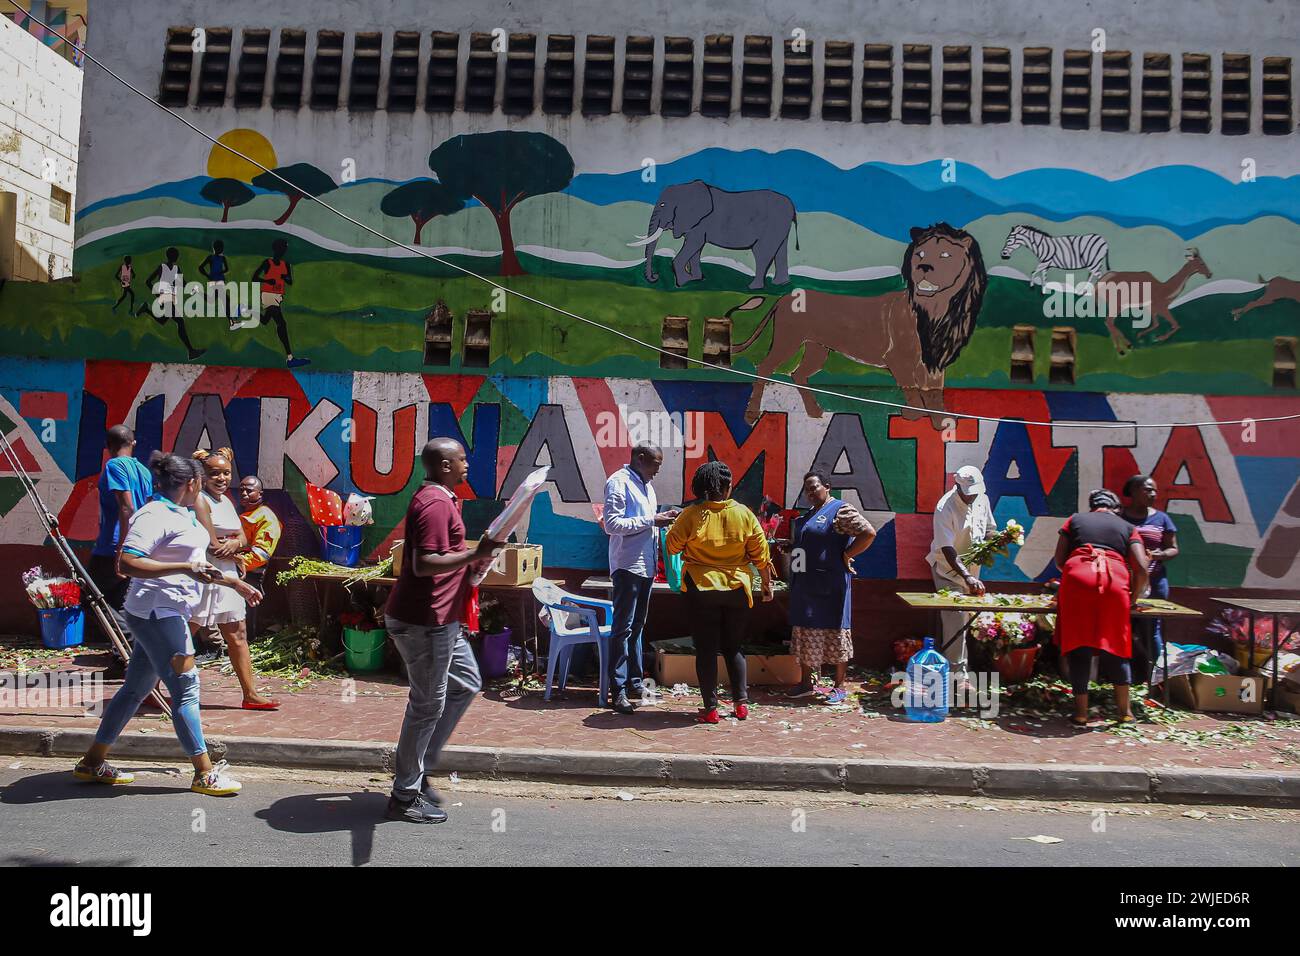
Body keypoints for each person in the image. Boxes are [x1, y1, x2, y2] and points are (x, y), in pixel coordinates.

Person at [73, 452, 261, 795]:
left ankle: (91, 762)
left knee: (135, 689)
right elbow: (127, 563)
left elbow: (195, 564)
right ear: (191, 484)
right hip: (158, 614)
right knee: (186, 687)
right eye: (202, 481)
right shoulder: (153, 515)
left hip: (165, 612)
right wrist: (183, 570)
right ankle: (204, 773)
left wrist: (233, 582)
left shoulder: (183, 514)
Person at [384, 438, 500, 824]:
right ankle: (404, 794)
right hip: (424, 622)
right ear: (445, 464)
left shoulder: (443, 498)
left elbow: (445, 556)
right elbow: (424, 564)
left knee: (466, 683)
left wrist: (473, 567)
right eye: (462, 459)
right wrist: (476, 554)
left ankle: (420, 765)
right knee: (426, 705)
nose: (468, 464)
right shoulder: (434, 503)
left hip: (444, 620)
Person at [666, 461, 774, 724]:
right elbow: (761, 556)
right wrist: (767, 586)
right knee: (734, 647)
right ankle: (741, 706)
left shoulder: (691, 515)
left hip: (701, 589)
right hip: (737, 588)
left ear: (701, 487)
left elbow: (672, 546)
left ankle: (711, 709)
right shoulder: (744, 514)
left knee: (705, 649)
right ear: (728, 487)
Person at [190, 448, 279, 709]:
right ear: (203, 476)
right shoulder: (200, 500)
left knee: (238, 633)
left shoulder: (226, 502)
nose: (221, 478)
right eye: (214, 473)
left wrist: (234, 547)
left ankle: (250, 694)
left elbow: (242, 537)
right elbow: (210, 544)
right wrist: (231, 548)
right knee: (185, 633)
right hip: (207, 575)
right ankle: (146, 684)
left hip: (228, 574)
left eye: (226, 473)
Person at [1053, 489, 1150, 727]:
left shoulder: (1074, 520)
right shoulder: (1128, 527)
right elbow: (1142, 568)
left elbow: (1059, 560)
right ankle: (1125, 712)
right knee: (1117, 644)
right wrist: (1133, 598)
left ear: (1092, 506)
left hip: (1078, 578)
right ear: (1115, 508)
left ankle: (1081, 714)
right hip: (1115, 582)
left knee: (1079, 643)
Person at [783, 471, 876, 704]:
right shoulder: (809, 515)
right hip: (805, 584)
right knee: (805, 631)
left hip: (830, 585)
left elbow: (868, 533)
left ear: (827, 487)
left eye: (814, 487)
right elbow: (804, 548)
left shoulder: (840, 510)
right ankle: (806, 683)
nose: (810, 493)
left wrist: (846, 555)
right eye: (807, 489)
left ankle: (839, 685)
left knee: (835, 631)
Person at [601, 443, 680, 714]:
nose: (658, 469)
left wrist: (662, 520)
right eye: (656, 463)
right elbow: (611, 525)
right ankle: (618, 689)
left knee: (637, 626)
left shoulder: (646, 485)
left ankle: (635, 682)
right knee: (622, 628)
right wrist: (651, 520)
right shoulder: (618, 483)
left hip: (646, 567)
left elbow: (649, 521)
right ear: (640, 458)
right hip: (627, 566)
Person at [927, 465, 997, 689]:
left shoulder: (982, 499)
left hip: (973, 572)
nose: (972, 496)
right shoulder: (944, 507)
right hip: (948, 571)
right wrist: (966, 576)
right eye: (968, 492)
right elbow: (947, 549)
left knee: (965, 621)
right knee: (955, 618)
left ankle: (958, 671)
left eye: (974, 492)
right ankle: (957, 677)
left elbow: (989, 529)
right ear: (957, 486)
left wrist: (998, 540)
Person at [87, 425, 153, 646]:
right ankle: (125, 655)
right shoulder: (143, 471)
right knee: (121, 601)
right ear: (133, 443)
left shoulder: (115, 465)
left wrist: (121, 550)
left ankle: (130, 647)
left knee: (91, 597)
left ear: (108, 447)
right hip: (138, 544)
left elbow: (127, 507)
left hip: (113, 546)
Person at [1119, 474, 1179, 682]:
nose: (1152, 494)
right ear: (1133, 492)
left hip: (1155, 582)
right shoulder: (1120, 517)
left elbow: (1173, 548)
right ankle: (1125, 676)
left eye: (1154, 490)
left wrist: (1159, 555)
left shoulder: (1162, 518)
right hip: (1124, 582)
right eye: (1147, 489)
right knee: (1123, 626)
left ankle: (1156, 678)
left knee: (1153, 628)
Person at [136, 246, 205, 361]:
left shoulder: (176, 269)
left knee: (163, 320)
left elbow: (182, 283)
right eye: (176, 255)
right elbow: (148, 281)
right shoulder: (162, 267)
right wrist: (159, 295)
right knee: (180, 321)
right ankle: (191, 351)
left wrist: (192, 290)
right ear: (174, 256)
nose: (177, 256)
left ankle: (145, 309)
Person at [251, 238, 309, 368]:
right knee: (281, 323)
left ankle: (245, 309)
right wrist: (267, 281)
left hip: (278, 296)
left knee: (265, 320)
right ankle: (290, 358)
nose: (283, 251)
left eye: (284, 249)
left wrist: (284, 277)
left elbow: (290, 281)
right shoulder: (268, 263)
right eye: (282, 248)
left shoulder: (285, 265)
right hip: (268, 295)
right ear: (276, 249)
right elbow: (254, 277)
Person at [236, 475, 282, 639]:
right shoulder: (244, 513)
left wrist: (236, 566)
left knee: (246, 622)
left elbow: (261, 554)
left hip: (250, 577)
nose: (244, 493)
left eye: (249, 490)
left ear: (260, 494)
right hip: (237, 574)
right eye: (241, 490)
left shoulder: (266, 517)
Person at [197, 239, 231, 326]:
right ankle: (232, 322)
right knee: (225, 300)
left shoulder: (222, 258)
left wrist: (220, 273)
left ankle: (197, 291)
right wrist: (208, 275)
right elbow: (201, 267)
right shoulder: (211, 258)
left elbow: (227, 269)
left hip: (220, 281)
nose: (220, 249)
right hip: (215, 281)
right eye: (219, 248)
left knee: (212, 300)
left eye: (221, 248)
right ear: (215, 248)